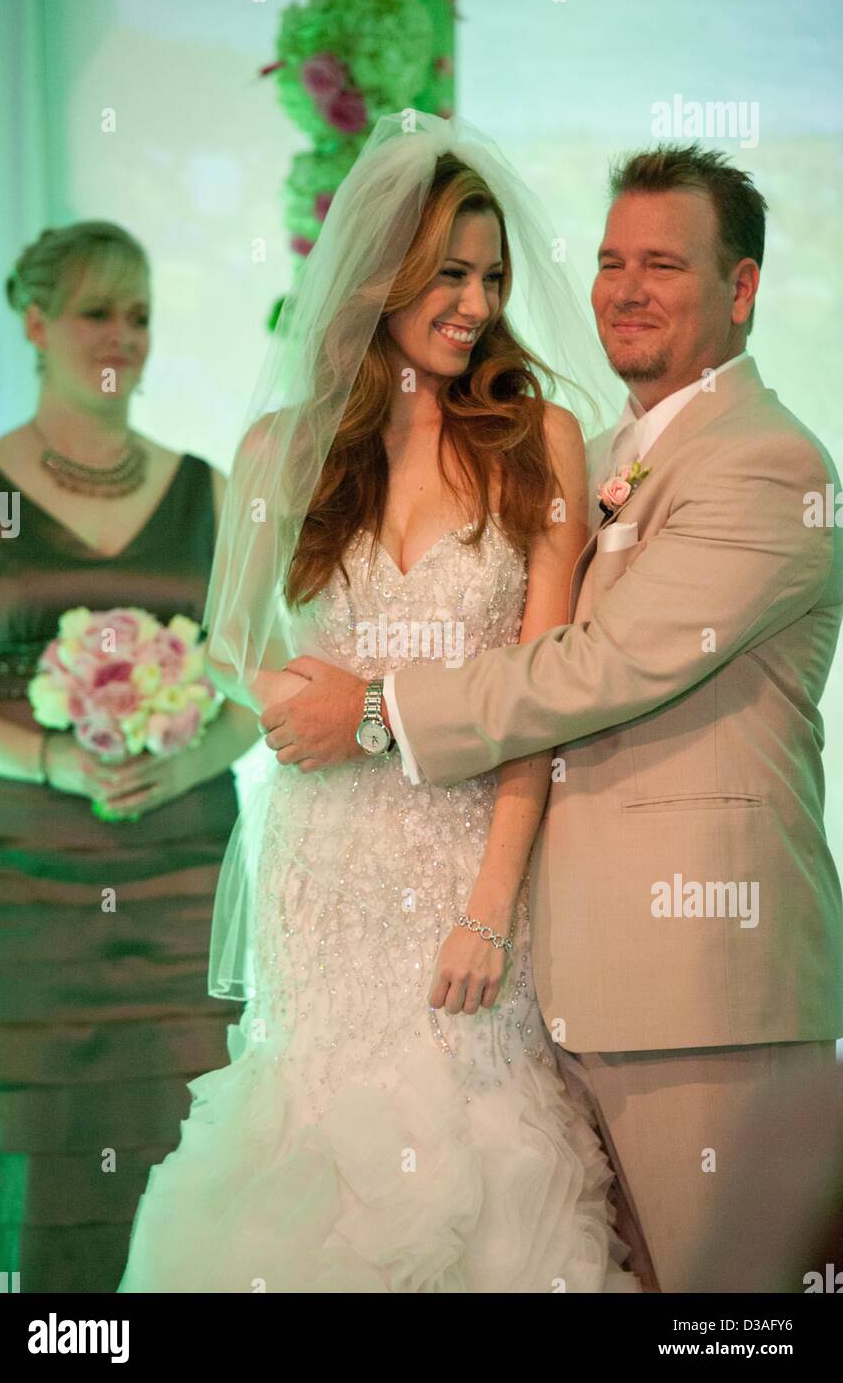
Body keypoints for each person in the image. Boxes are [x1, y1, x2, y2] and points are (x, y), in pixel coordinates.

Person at [265, 143, 843, 1293]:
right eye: (610, 260)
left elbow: (599, 666)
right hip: (570, 986)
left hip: (700, 991)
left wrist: (377, 710)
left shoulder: (765, 462)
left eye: (664, 264)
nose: (625, 288)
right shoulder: (619, 451)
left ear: (740, 289)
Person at [117, 110, 640, 1293]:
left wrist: (492, 907)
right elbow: (233, 647)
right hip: (321, 867)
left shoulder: (538, 438)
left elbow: (542, 696)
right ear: (379, 277)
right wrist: (284, 695)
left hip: (463, 860)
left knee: (481, 1161)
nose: (472, 301)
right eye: (446, 273)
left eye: (490, 276)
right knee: (306, 1165)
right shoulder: (279, 451)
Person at [0, 221, 260, 1292]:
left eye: (140, 314)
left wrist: (186, 765)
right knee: (29, 1137)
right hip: (17, 884)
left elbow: (255, 690)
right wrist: (52, 762)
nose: (123, 335)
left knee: (182, 1123)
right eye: (99, 309)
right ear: (37, 322)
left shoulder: (209, 490)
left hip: (184, 871)